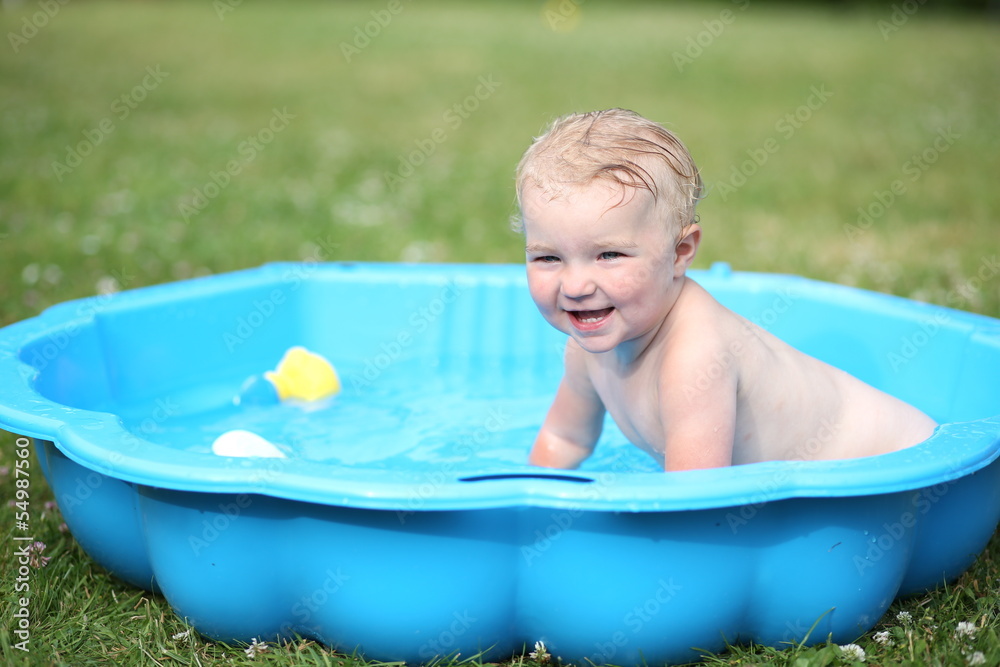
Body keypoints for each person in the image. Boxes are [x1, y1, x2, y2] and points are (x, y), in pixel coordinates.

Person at [514, 108, 937, 472]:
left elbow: (694, 503)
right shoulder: (586, 345)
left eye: (609, 255)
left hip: (902, 464)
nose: (575, 286)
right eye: (548, 258)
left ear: (680, 253)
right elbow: (565, 439)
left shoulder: (693, 359)